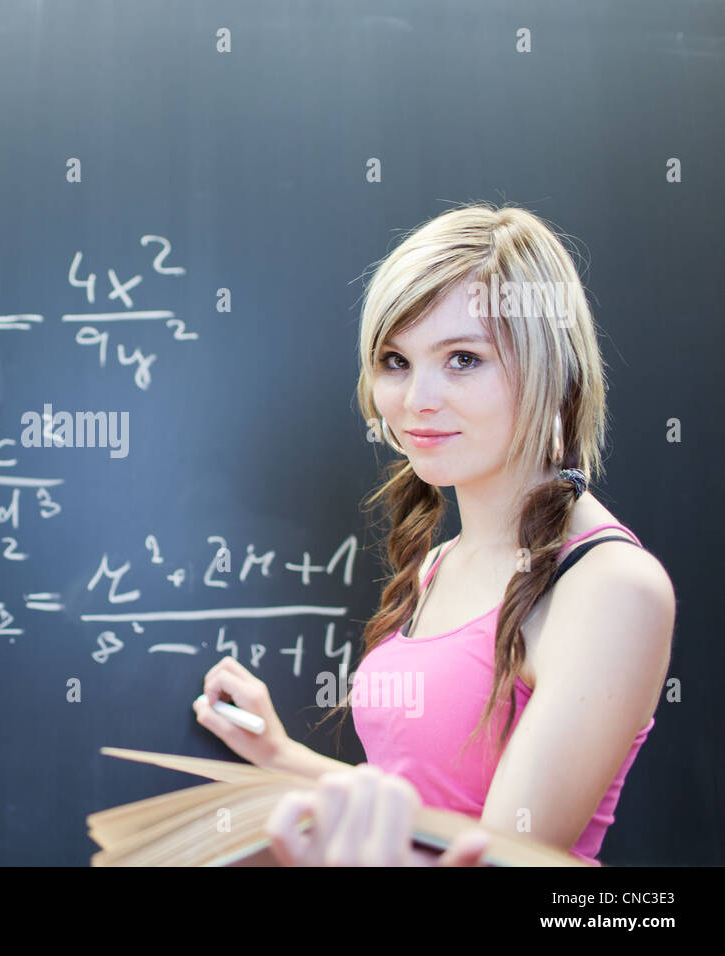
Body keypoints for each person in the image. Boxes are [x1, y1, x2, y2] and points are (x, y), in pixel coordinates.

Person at [194, 203, 676, 866]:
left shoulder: (611, 587)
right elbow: (428, 811)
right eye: (396, 360)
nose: (418, 399)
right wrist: (283, 757)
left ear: (549, 365)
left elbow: (500, 857)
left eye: (462, 360)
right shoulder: (441, 563)